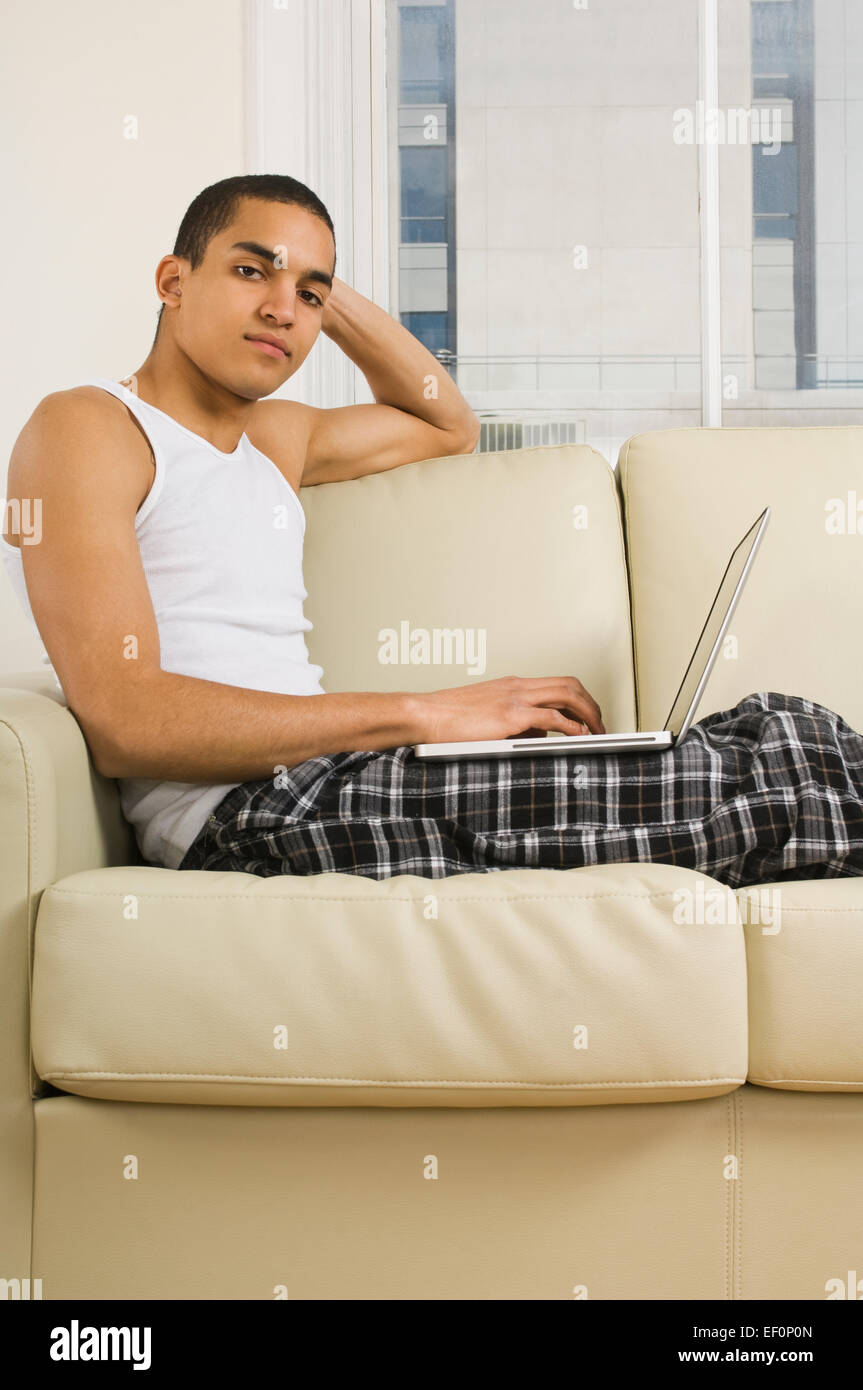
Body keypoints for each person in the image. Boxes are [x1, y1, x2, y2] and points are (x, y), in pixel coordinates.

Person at [4, 174, 863, 887]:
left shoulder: (272, 438)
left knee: (781, 730)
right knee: (765, 788)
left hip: (331, 778)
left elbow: (445, 421)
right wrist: (429, 712)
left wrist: (321, 296)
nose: (281, 310)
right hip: (251, 817)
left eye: (306, 292)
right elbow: (127, 721)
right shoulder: (88, 426)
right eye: (249, 271)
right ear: (172, 279)